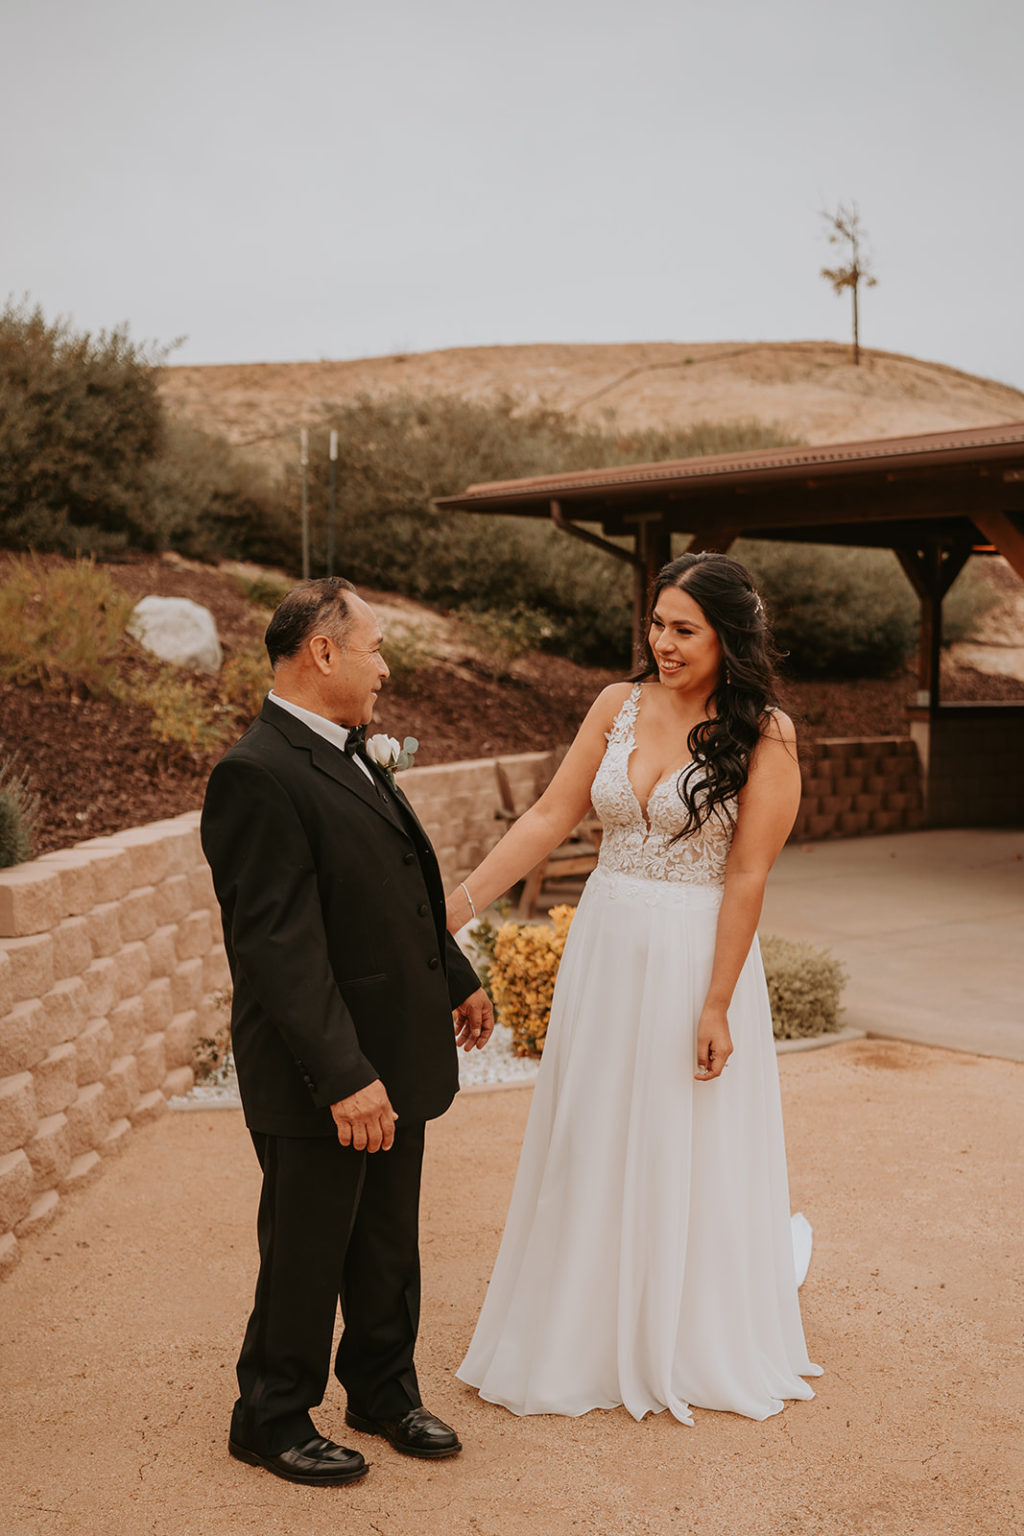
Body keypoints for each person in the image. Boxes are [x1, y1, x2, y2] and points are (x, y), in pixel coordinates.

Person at [446, 552, 822, 1423]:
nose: (663, 643)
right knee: (592, 1127)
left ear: (729, 637)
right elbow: (547, 815)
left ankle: (683, 1331)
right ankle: (577, 1324)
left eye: (683, 630)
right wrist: (453, 909)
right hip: (608, 948)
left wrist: (719, 1001)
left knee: (683, 1132)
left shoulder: (766, 733)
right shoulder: (616, 707)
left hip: (698, 955)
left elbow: (748, 877)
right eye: (656, 625)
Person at [200, 577, 494, 1487]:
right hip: (319, 1070)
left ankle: (380, 1389)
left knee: (385, 1234)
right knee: (309, 1242)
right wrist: (341, 1074)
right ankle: (272, 1414)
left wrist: (455, 975)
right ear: (322, 652)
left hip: (391, 1051)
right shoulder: (258, 772)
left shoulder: (351, 750)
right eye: (373, 648)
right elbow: (278, 948)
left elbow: (391, 886)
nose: (385, 665)